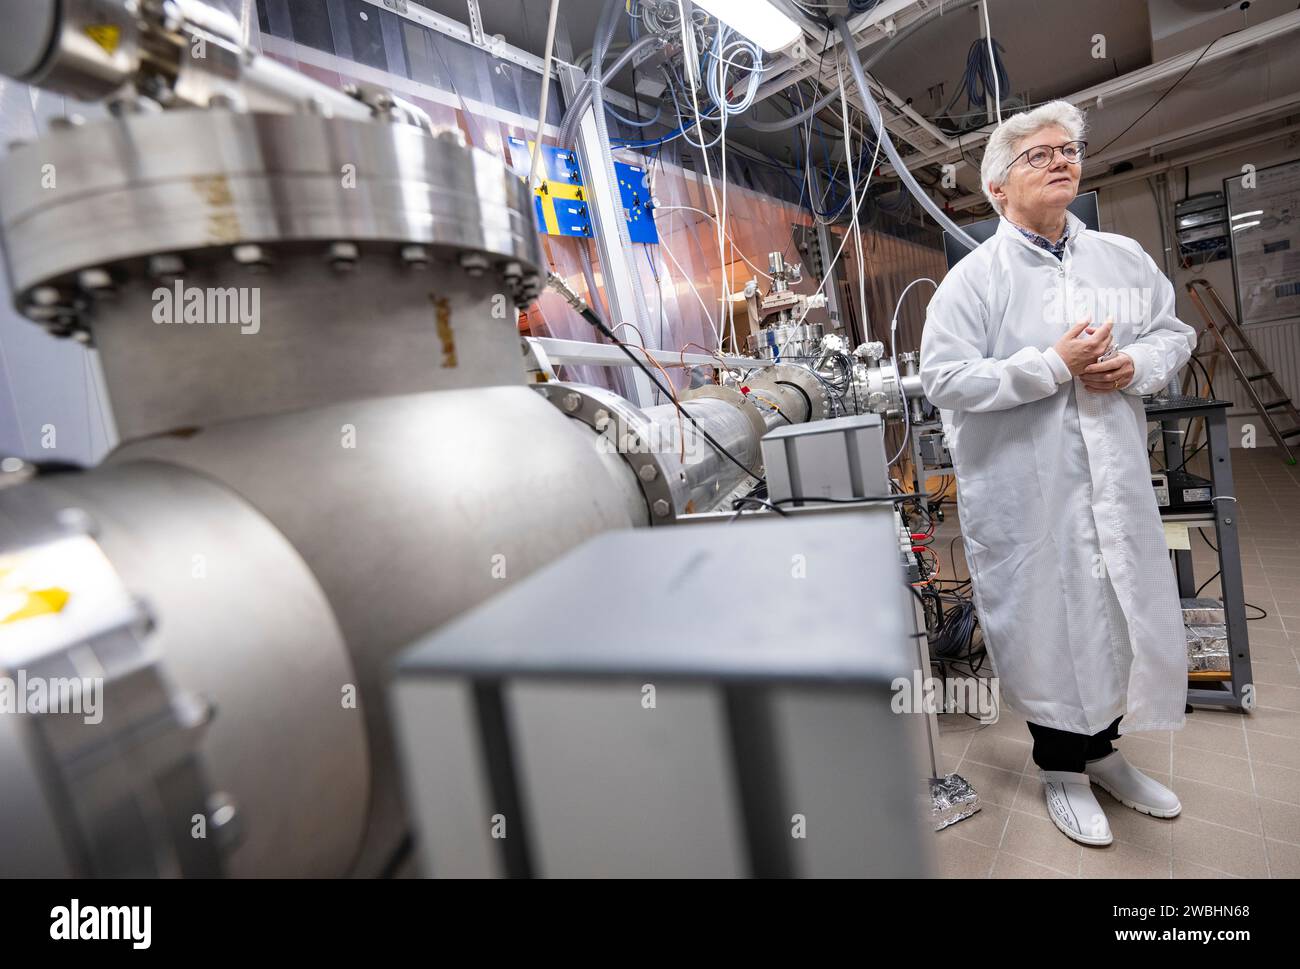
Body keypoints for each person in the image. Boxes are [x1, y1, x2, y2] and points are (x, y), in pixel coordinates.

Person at [919, 100, 1197, 846]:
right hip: (1026, 495)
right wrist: (1050, 366)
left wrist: (1135, 363)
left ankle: (1104, 755)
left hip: (1113, 486)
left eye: (1068, 149)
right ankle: (1061, 769)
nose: (1061, 160)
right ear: (998, 188)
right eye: (1038, 155)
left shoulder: (1120, 259)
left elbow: (1176, 332)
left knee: (1112, 613)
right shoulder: (973, 282)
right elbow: (944, 378)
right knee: (1049, 624)